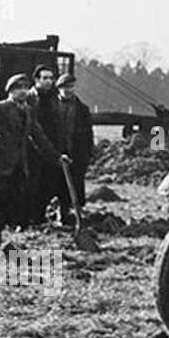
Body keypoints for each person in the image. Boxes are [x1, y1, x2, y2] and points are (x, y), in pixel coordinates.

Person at [0, 74, 70, 249]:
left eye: (25, 88)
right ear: (10, 91)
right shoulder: (0, 107)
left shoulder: (28, 111)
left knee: (16, 207)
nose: (22, 91)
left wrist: (57, 157)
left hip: (19, 168)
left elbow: (39, 137)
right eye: (18, 88)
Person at [23, 64, 63, 224]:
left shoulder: (54, 99)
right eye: (45, 78)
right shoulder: (29, 98)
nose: (49, 81)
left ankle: (40, 216)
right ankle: (29, 218)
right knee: (32, 184)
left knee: (48, 184)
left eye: (51, 78)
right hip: (31, 149)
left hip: (50, 148)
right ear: (37, 80)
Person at [53, 73, 94, 225]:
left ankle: (75, 215)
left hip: (76, 153)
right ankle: (58, 214)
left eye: (71, 87)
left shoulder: (82, 109)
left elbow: (88, 134)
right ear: (58, 89)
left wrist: (88, 153)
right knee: (56, 185)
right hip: (54, 152)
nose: (68, 90)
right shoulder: (51, 107)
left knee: (76, 184)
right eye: (65, 87)